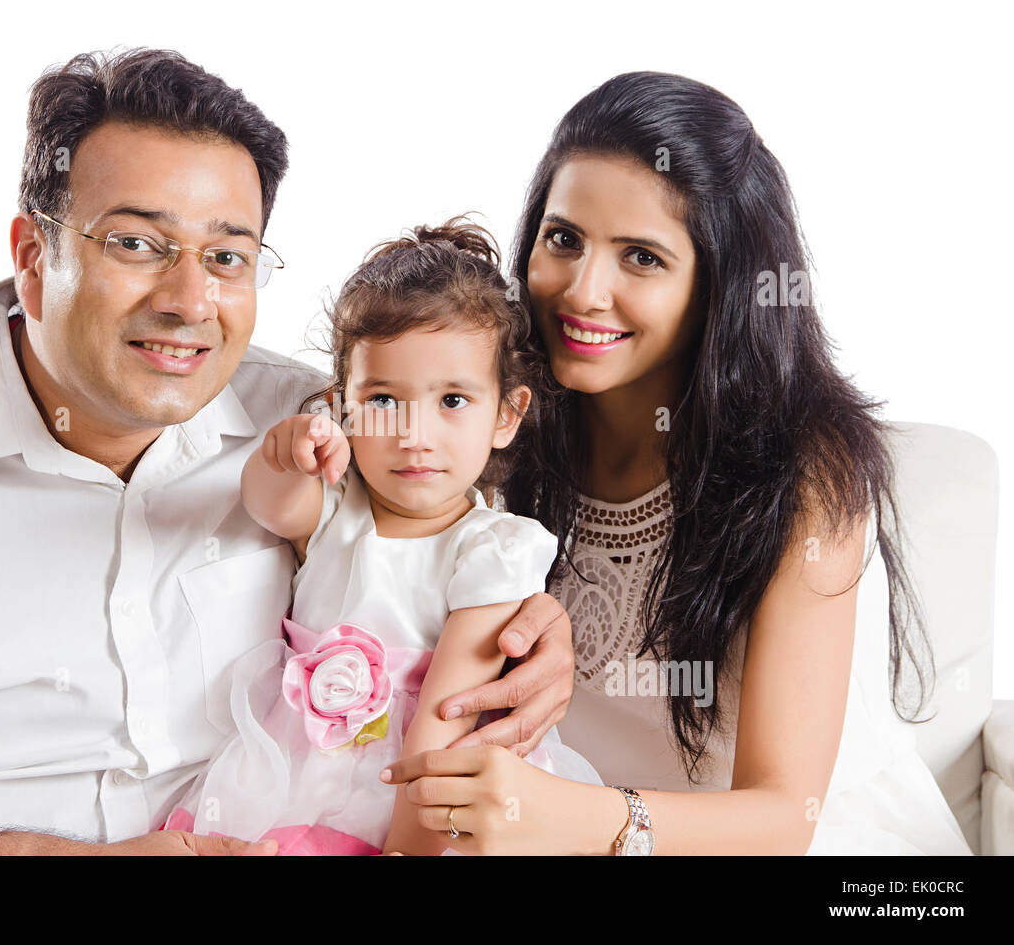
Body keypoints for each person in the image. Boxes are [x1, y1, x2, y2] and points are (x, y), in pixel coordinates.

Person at [0, 49, 577, 855]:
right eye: (135, 243)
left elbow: (440, 528)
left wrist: (535, 630)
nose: (190, 300)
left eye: (228, 256)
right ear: (31, 256)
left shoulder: (314, 419)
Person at [380, 72, 972, 855]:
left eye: (643, 258)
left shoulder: (804, 471)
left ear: (718, 287)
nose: (583, 291)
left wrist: (572, 819)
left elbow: (784, 815)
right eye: (564, 240)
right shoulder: (492, 411)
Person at [161, 218, 602, 854]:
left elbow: (447, 719)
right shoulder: (338, 505)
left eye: (453, 401)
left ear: (506, 415)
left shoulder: (495, 548)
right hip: (297, 773)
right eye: (384, 401)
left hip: (422, 790)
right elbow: (271, 505)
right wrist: (283, 456)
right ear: (343, 405)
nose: (414, 434)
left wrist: (403, 848)